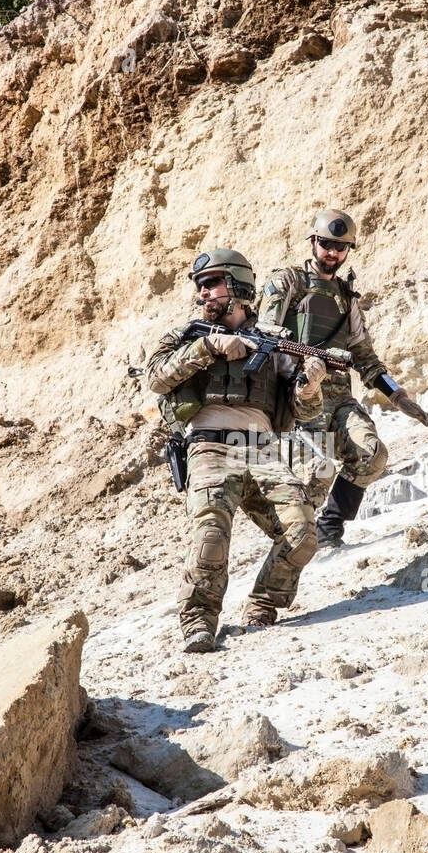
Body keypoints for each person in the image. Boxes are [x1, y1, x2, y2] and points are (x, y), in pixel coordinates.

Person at [145, 248, 326, 653]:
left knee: (301, 533)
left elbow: (304, 410)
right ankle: (198, 622)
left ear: (239, 286)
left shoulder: (275, 344)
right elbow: (156, 377)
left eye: (213, 283)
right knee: (211, 533)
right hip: (209, 446)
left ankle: (263, 605)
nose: (204, 293)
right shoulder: (186, 337)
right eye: (201, 286)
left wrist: (310, 385)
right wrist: (208, 349)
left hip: (261, 450)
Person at [255, 209, 415, 548]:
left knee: (372, 455)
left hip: (341, 399)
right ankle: (296, 547)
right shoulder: (288, 283)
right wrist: (301, 367)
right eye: (327, 244)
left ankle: (330, 530)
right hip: (299, 400)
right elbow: (264, 338)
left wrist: (397, 395)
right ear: (313, 242)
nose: (333, 253)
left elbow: (364, 355)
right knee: (317, 476)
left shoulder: (346, 296)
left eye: (341, 247)